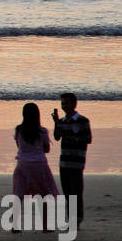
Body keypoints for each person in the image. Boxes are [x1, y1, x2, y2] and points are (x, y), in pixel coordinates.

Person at [13, 103, 58, 219]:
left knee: (19, 193)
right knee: (44, 194)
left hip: (23, 164)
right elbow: (46, 149)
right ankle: (45, 225)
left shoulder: (19, 130)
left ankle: (15, 224)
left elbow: (19, 146)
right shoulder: (42, 131)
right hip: (39, 164)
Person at [52, 93, 91, 224]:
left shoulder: (83, 121)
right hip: (64, 162)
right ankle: (72, 219)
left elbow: (88, 139)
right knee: (68, 193)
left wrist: (71, 137)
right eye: (63, 104)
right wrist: (56, 122)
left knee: (76, 192)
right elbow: (57, 137)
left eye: (67, 103)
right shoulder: (62, 121)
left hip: (77, 162)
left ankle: (77, 220)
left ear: (74, 104)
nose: (64, 106)